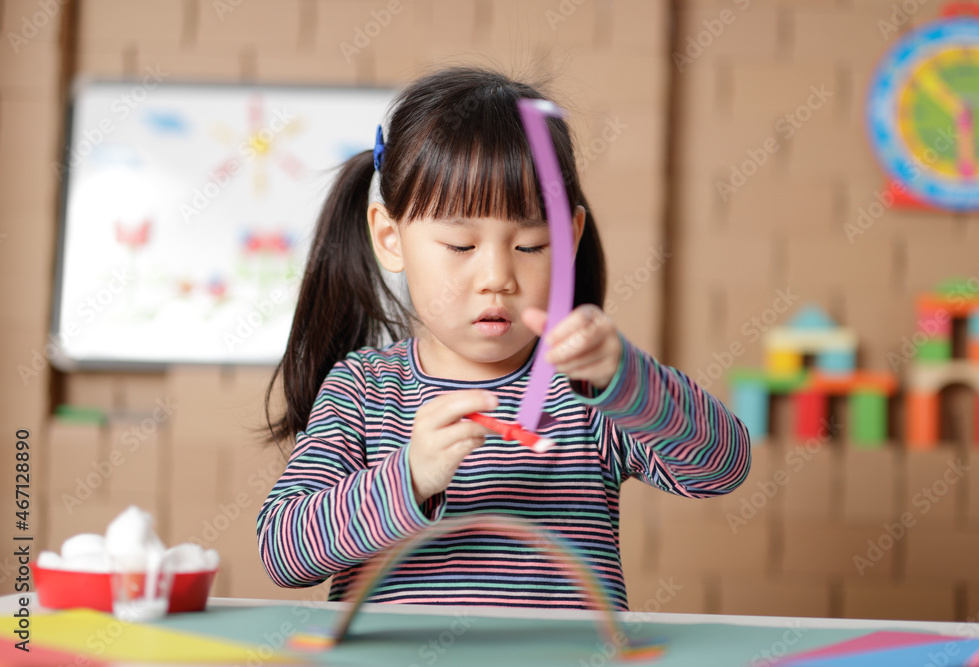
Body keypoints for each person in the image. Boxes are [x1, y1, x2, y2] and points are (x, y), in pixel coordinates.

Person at [256, 66, 751, 611]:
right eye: (461, 246)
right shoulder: (364, 389)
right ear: (390, 238)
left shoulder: (590, 387)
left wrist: (625, 378)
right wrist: (410, 477)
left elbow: (721, 466)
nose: (497, 276)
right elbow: (284, 553)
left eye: (532, 245)